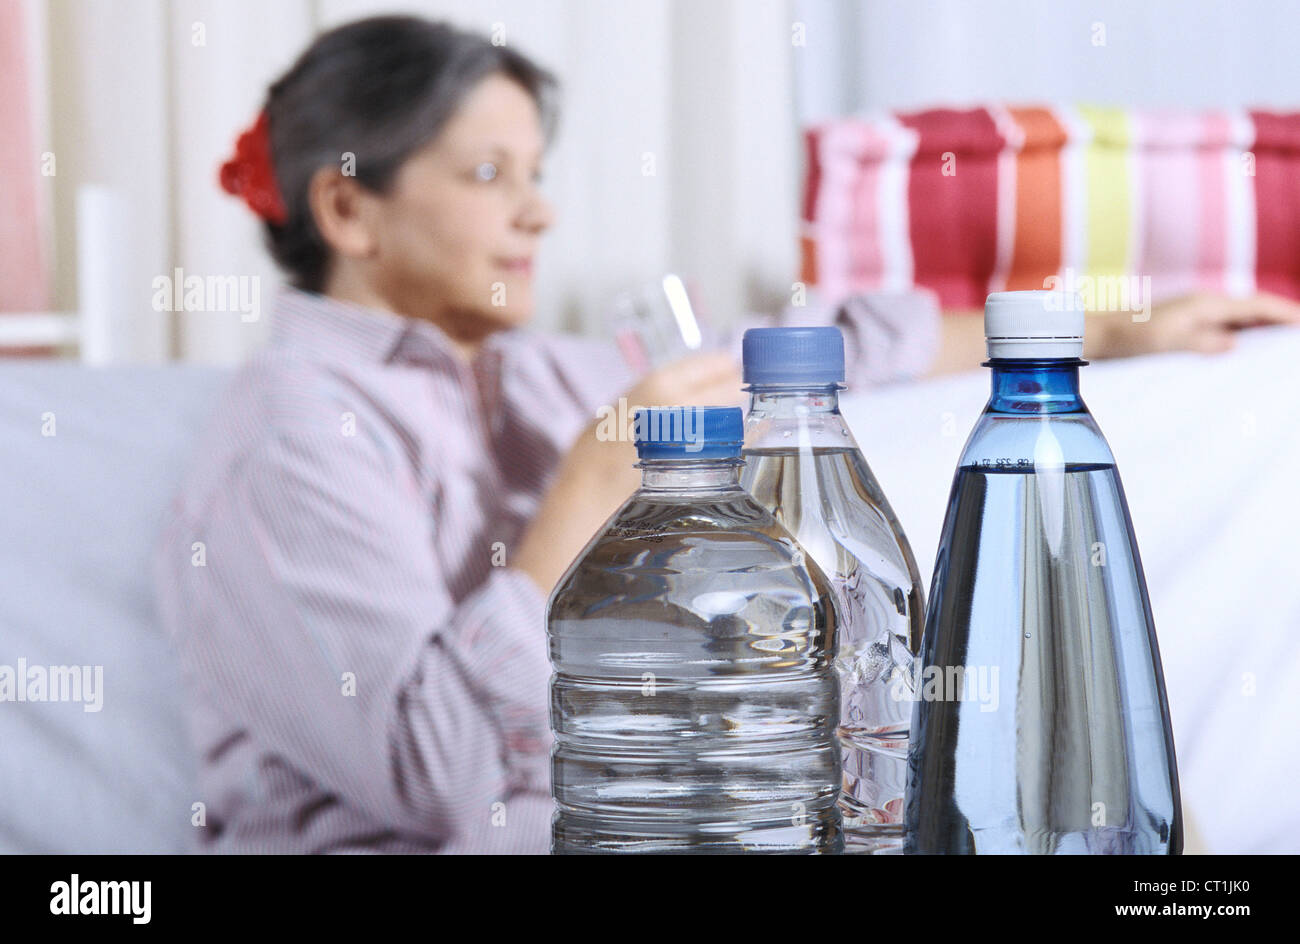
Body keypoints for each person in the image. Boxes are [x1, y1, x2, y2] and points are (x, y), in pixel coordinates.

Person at [154, 14, 1297, 855]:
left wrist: (1098, 326)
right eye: (490, 174)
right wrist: (590, 490)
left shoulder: (534, 370)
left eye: (537, 175)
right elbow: (444, 776)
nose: (539, 211)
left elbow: (816, 343)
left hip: (671, 821)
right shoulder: (291, 437)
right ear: (348, 206)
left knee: (1110, 812)